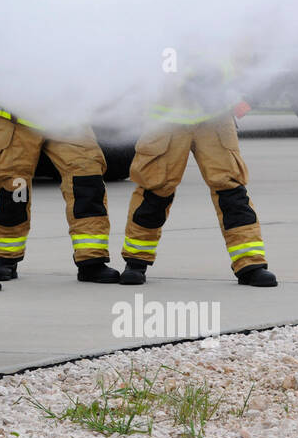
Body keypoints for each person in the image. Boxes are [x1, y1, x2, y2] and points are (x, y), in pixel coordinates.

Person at [118, 59, 277, 286]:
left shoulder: (219, 27)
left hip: (215, 117)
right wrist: (186, 77)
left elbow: (238, 58)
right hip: (168, 118)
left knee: (231, 189)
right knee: (155, 188)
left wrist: (222, 78)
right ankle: (135, 262)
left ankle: (251, 264)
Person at [0, 110, 120, 283]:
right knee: (14, 188)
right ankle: (5, 259)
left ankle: (92, 261)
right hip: (15, 117)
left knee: (87, 180)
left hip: (67, 116)